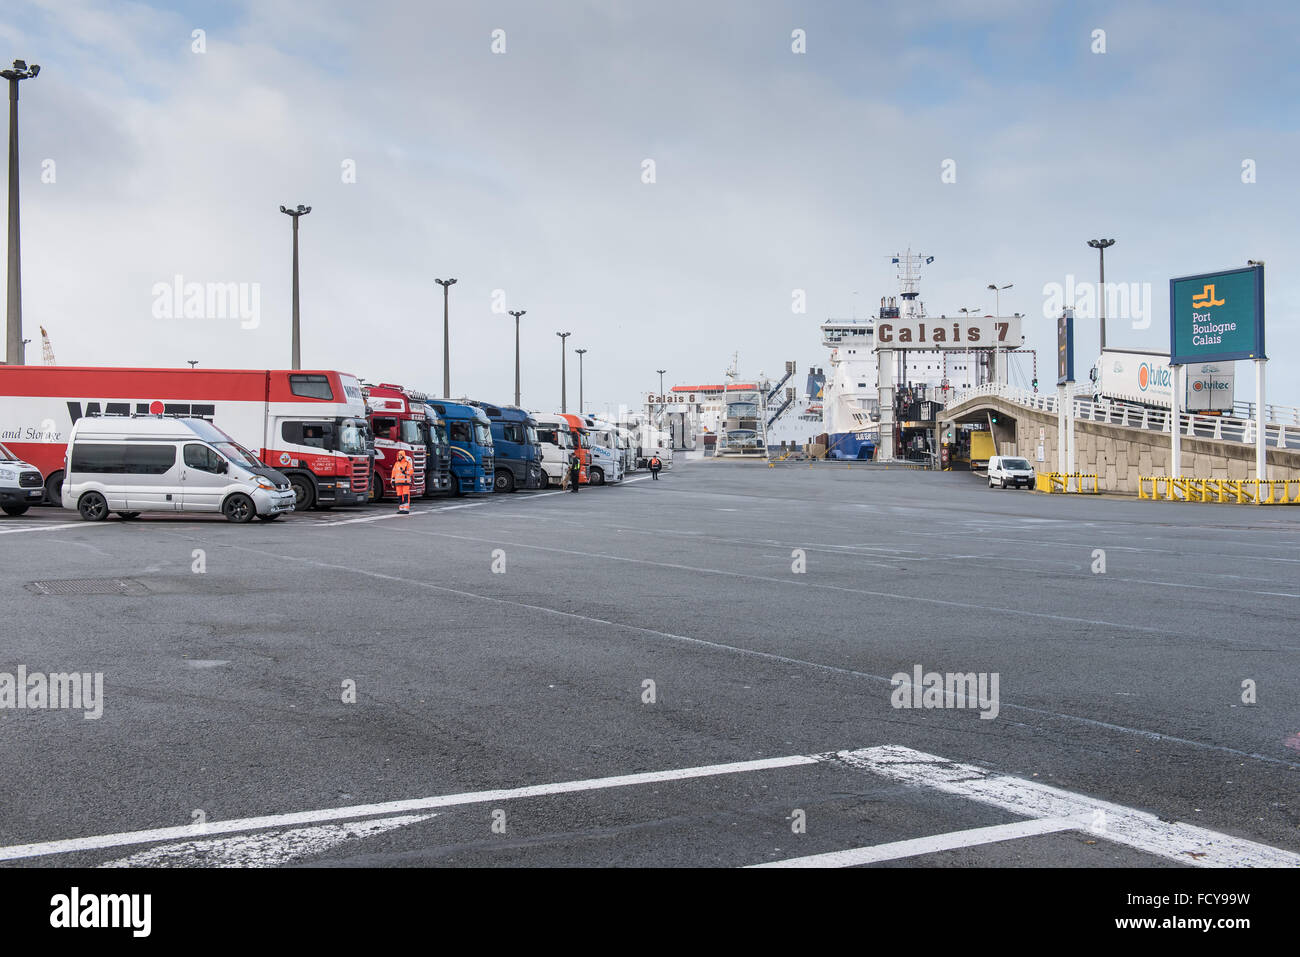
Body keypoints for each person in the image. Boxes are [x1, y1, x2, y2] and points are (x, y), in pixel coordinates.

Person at [393, 449, 413, 514]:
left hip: (405, 483)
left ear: (403, 456)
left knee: (405, 496)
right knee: (399, 496)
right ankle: (401, 509)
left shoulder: (407, 463)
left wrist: (405, 472)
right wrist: (392, 481)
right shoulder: (396, 464)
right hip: (398, 483)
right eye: (398, 455)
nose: (399, 456)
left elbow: (411, 471)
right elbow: (393, 473)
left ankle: (406, 509)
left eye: (400, 455)